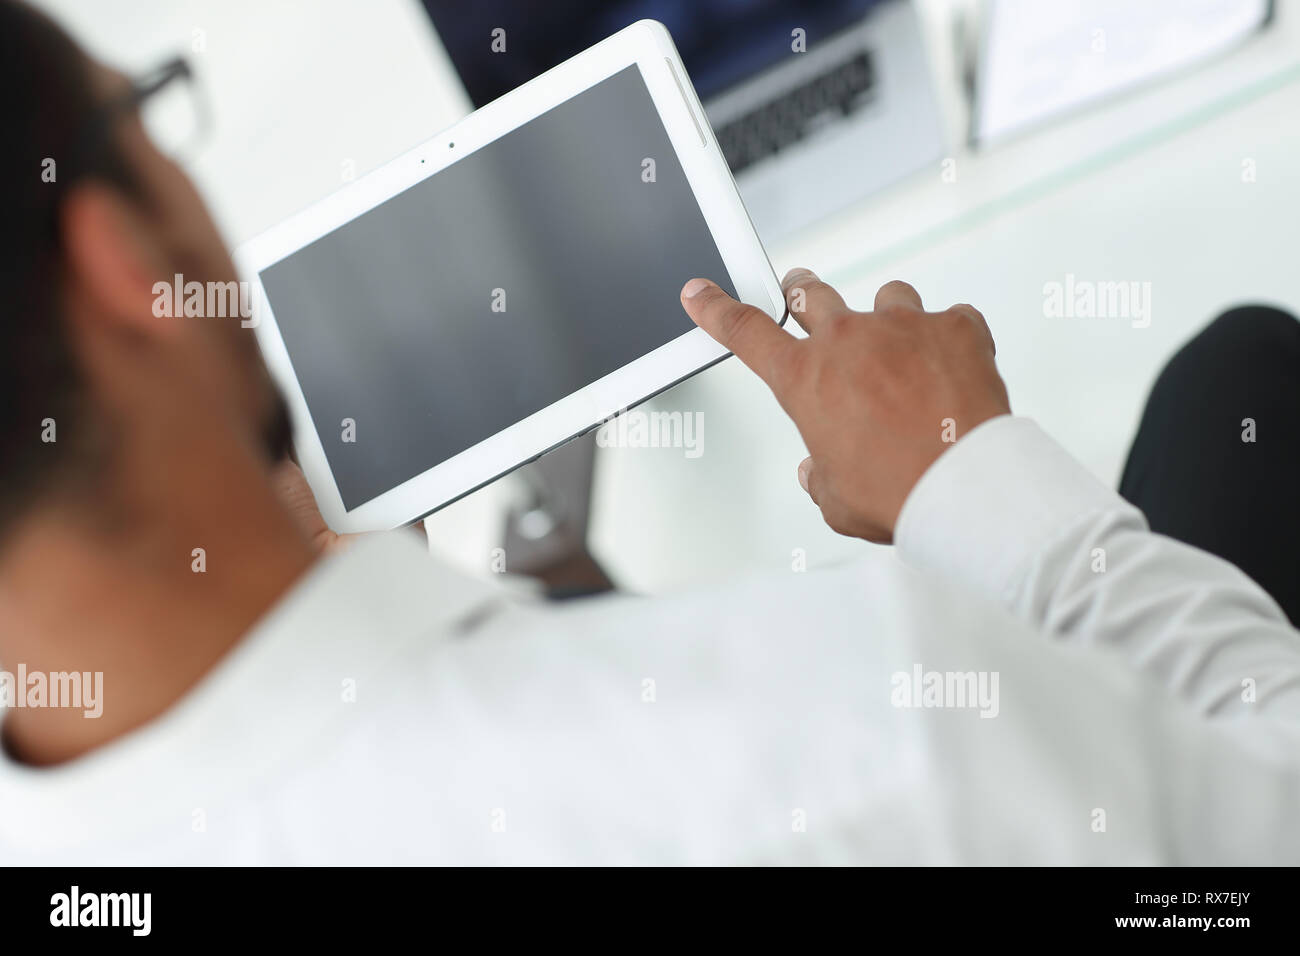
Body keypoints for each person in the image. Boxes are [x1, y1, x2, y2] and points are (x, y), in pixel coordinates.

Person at [1, 1, 1297, 865]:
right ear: (124, 266)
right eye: (147, 113)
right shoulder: (862, 720)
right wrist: (972, 483)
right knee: (1240, 378)